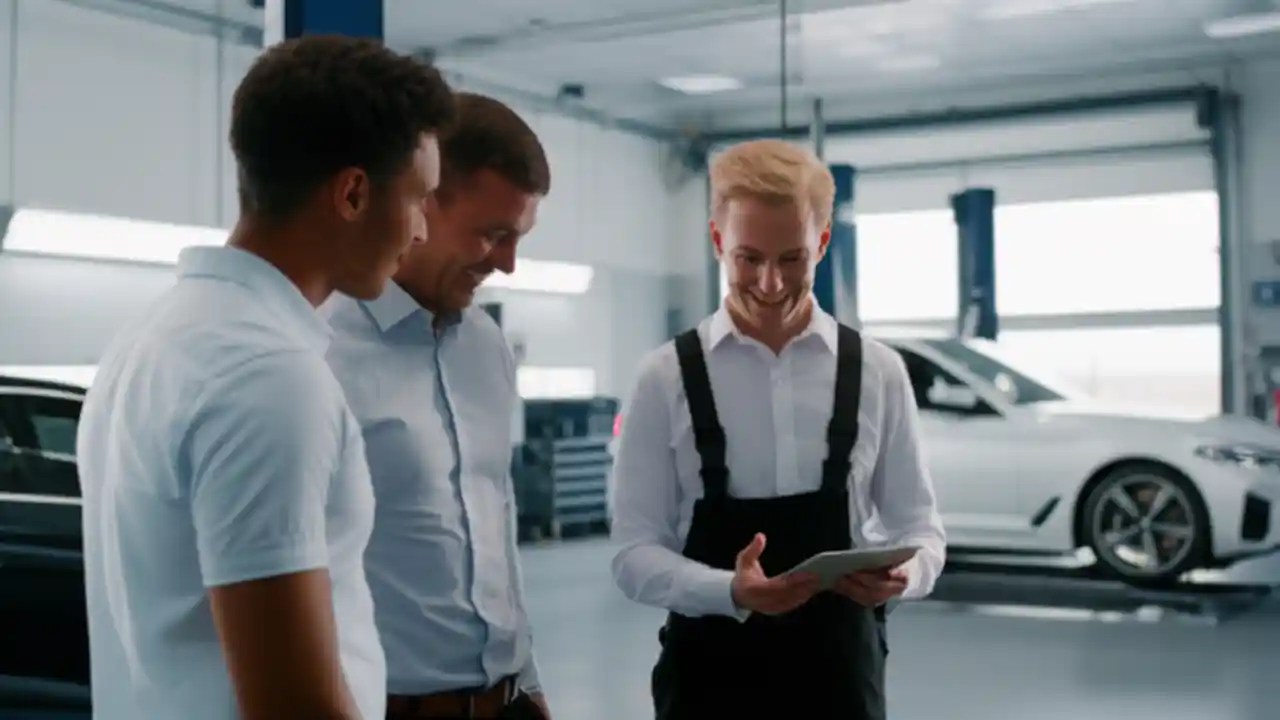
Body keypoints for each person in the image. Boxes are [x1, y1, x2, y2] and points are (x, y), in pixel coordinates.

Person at [74, 36, 454, 720]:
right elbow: (293, 706)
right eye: (420, 198)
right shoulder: (269, 378)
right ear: (353, 193)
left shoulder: (153, 338)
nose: (423, 230)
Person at [609, 139, 947, 719]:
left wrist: (905, 575)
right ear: (718, 242)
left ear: (821, 242)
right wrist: (730, 591)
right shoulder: (663, 378)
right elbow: (633, 554)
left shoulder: (877, 372)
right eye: (748, 258)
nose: (770, 284)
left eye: (792, 259)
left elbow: (923, 529)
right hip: (707, 681)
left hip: (841, 678)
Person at [323, 92, 553, 720]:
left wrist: (528, 680)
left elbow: (494, 522)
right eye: (492, 234)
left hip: (506, 701)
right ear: (420, 202)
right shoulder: (320, 352)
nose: (506, 264)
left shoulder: (484, 345)